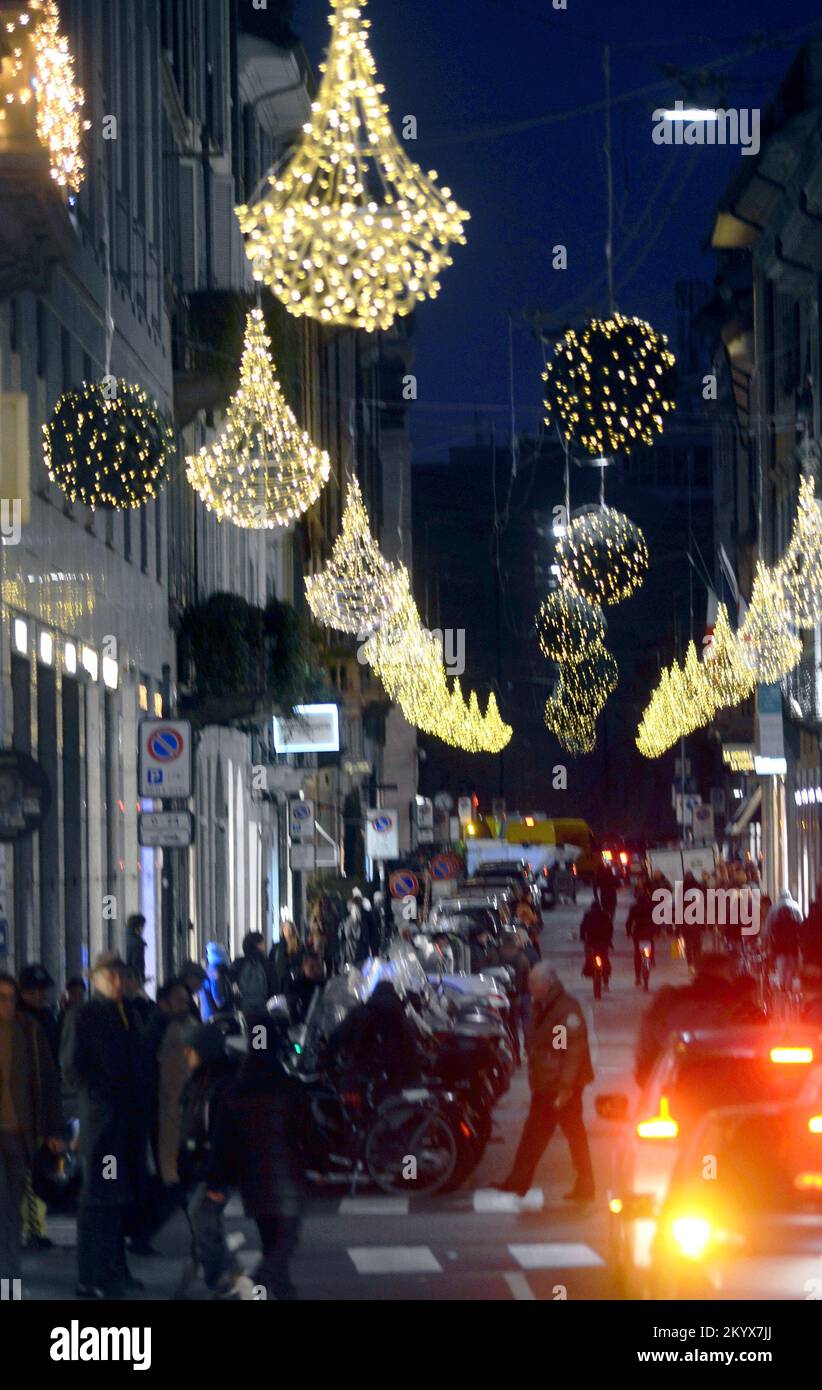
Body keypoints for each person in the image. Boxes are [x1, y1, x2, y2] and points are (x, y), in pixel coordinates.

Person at [60, 952, 147, 1298]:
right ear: (95, 979)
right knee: (98, 1197)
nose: (116, 981)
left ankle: (113, 1270)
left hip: (124, 1123)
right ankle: (91, 1275)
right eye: (109, 976)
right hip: (104, 1124)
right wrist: (97, 1095)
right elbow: (70, 1067)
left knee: (115, 1197)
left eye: (119, 975)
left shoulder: (127, 1013)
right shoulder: (84, 1015)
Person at [207, 1017, 305, 1300]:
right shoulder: (289, 1086)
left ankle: (282, 1293)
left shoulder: (235, 1088)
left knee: (272, 1243)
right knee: (284, 1242)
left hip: (253, 1180)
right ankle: (249, 1285)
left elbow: (223, 1139)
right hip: (286, 1177)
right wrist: (319, 1166)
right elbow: (306, 1133)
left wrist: (217, 1179)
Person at [493, 964, 595, 1200]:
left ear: (547, 984)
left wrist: (565, 1087)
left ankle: (523, 1182)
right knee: (547, 1134)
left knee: (555, 1134)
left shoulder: (563, 1009)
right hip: (548, 1083)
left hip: (557, 1086)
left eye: (533, 983)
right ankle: (522, 1181)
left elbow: (571, 1050)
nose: (529, 988)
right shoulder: (544, 1006)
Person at [176, 1023, 252, 1300]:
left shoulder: (224, 1087)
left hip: (217, 1171)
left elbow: (225, 1139)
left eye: (190, 1049)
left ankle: (222, 1279)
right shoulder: (200, 1079)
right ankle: (234, 1279)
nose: (185, 1054)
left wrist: (218, 1180)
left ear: (205, 1050)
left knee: (202, 1217)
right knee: (206, 1224)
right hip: (202, 1167)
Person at [0, 972, 64, 1286]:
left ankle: (8, 1284)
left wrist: (54, 1130)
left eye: (11, 997)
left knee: (11, 1213)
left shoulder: (28, 1031)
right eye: (1, 998)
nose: (8, 1004)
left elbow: (47, 1084)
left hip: (16, 1134)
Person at [634, 953, 764, 1088]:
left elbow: (647, 1049)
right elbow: (764, 1042)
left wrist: (646, 1074)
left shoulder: (669, 1002)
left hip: (678, 1086)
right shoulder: (739, 1008)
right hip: (733, 1088)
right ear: (727, 973)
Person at [327, 980, 423, 1090]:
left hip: (365, 1073)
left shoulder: (361, 1011)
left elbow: (336, 1037)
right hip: (400, 1078)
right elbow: (413, 1048)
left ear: (373, 993)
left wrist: (327, 1058)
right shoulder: (404, 1017)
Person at [497, 925, 531, 1066]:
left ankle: (505, 1055)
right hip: (516, 996)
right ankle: (518, 1055)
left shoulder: (495, 954)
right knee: (516, 1026)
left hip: (499, 997)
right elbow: (527, 977)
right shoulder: (521, 957)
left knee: (503, 1025)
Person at [17, 964, 60, 1063]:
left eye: (42, 990)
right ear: (21, 992)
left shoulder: (47, 1015)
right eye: (32, 991)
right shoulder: (16, 1017)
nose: (38, 995)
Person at [765, 889, 802, 991]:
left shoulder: (774, 907)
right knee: (791, 964)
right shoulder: (796, 906)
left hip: (779, 942)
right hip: (793, 942)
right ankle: (788, 985)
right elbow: (801, 922)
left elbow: (768, 925)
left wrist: (767, 940)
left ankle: (782, 985)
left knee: (781, 963)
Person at [625, 883, 660, 986]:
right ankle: (652, 959)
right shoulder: (651, 907)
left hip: (638, 932)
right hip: (649, 931)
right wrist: (657, 931)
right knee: (651, 943)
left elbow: (629, 921)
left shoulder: (634, 907)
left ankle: (637, 977)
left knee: (637, 954)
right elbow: (657, 920)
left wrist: (628, 932)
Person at [234, 932, 273, 1017]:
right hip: (262, 1008)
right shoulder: (266, 963)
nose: (264, 946)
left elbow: (232, 986)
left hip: (243, 1009)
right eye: (263, 943)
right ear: (258, 945)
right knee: (260, 1029)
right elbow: (274, 986)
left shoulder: (238, 963)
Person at [286, 952, 325, 1026]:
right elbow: (292, 1009)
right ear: (304, 966)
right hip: (304, 1027)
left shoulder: (325, 985)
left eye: (319, 967)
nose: (316, 971)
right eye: (312, 967)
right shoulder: (295, 986)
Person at [201, 942, 236, 1021]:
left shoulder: (209, 971)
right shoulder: (216, 974)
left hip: (209, 1016)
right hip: (218, 1018)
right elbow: (219, 1001)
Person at [269, 922, 303, 996]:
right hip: (279, 981)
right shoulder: (277, 946)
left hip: (292, 982)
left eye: (289, 929)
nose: (287, 931)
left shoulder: (298, 946)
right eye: (285, 929)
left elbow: (300, 961)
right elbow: (271, 962)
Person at [125, 914, 148, 987]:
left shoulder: (125, 939)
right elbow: (137, 966)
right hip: (133, 982)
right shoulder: (137, 944)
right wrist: (141, 980)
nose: (143, 930)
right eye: (143, 927)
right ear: (138, 927)